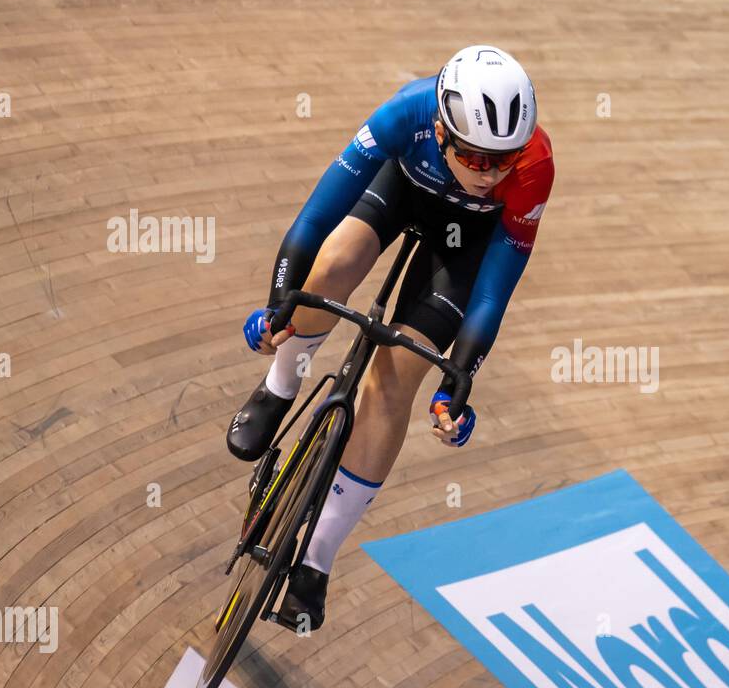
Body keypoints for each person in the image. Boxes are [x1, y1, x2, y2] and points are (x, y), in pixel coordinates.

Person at [227, 45, 554, 630]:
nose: (490, 173)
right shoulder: (405, 113)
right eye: (477, 157)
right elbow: (313, 221)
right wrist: (279, 308)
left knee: (395, 376)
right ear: (441, 129)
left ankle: (317, 560)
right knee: (332, 267)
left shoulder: (532, 167)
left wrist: (460, 380)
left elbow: (491, 294)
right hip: (399, 189)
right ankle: (277, 389)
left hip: (463, 244)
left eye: (503, 159)